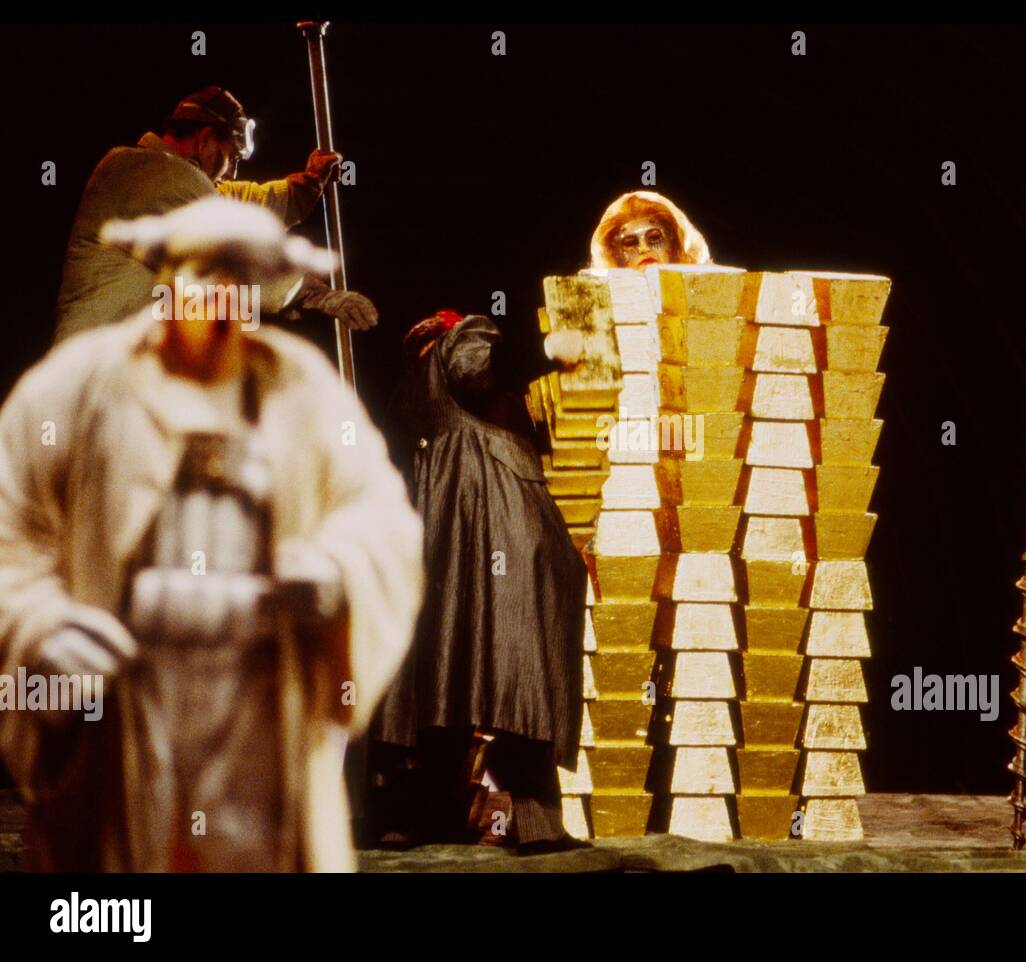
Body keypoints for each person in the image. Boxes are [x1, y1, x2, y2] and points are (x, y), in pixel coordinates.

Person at [0, 196, 422, 871]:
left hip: (257, 699)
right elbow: (10, 528)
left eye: (241, 279)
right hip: (129, 698)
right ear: (168, 278)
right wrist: (42, 627)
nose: (223, 296)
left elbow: (378, 513)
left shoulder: (300, 386)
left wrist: (338, 569)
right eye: (206, 273)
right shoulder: (73, 389)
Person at [373, 309, 591, 854]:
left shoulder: (406, 397)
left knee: (443, 678)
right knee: (519, 661)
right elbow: (478, 367)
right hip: (498, 518)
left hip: (440, 530)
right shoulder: (468, 335)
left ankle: (417, 818)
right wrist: (548, 348)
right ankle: (536, 823)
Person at [54, 85, 377, 343]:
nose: (232, 173)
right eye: (231, 159)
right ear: (206, 140)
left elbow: (246, 205)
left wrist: (309, 183)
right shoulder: (141, 171)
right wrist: (313, 293)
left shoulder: (177, 180)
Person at [588, 190, 711, 270]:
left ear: (674, 246)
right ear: (615, 256)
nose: (644, 249)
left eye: (654, 238)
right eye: (630, 243)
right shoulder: (604, 309)